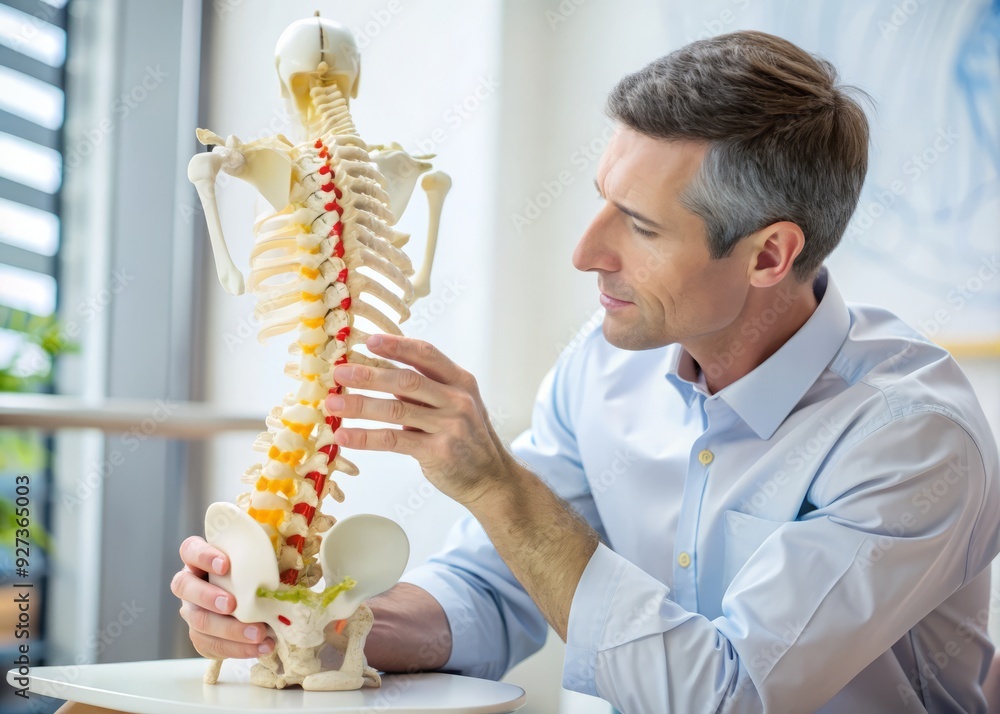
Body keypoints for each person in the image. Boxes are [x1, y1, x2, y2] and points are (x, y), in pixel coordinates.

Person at [167, 30, 1000, 714]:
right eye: (603, 197)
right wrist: (313, 622)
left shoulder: (915, 440)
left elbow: (726, 696)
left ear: (769, 255)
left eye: (638, 225)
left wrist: (499, 486)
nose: (585, 252)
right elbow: (493, 594)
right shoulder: (603, 370)